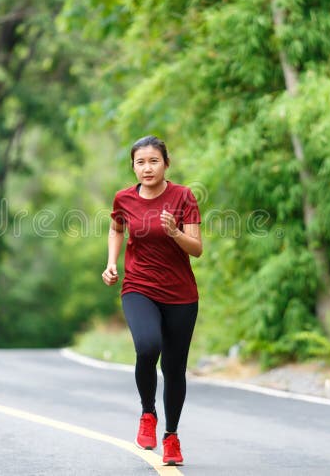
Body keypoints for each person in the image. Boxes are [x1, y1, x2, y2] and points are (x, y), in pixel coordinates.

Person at [102, 135, 203, 467]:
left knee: (174, 369)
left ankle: (171, 437)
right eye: (140, 162)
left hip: (180, 294)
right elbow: (116, 228)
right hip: (139, 287)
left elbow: (197, 249)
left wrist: (175, 232)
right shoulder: (124, 198)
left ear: (166, 164)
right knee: (147, 347)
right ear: (133, 166)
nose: (147, 168)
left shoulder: (183, 197)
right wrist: (111, 262)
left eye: (154, 161)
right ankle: (148, 414)